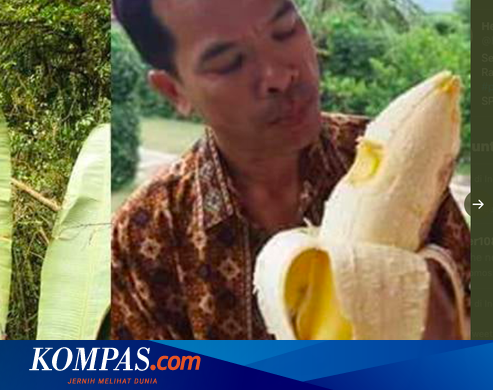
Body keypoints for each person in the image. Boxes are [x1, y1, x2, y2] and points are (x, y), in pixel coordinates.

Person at [111, 0, 470, 340]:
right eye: (229, 62)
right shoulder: (145, 235)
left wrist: (448, 334)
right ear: (175, 91)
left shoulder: (398, 158)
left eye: (284, 30)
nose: (280, 76)